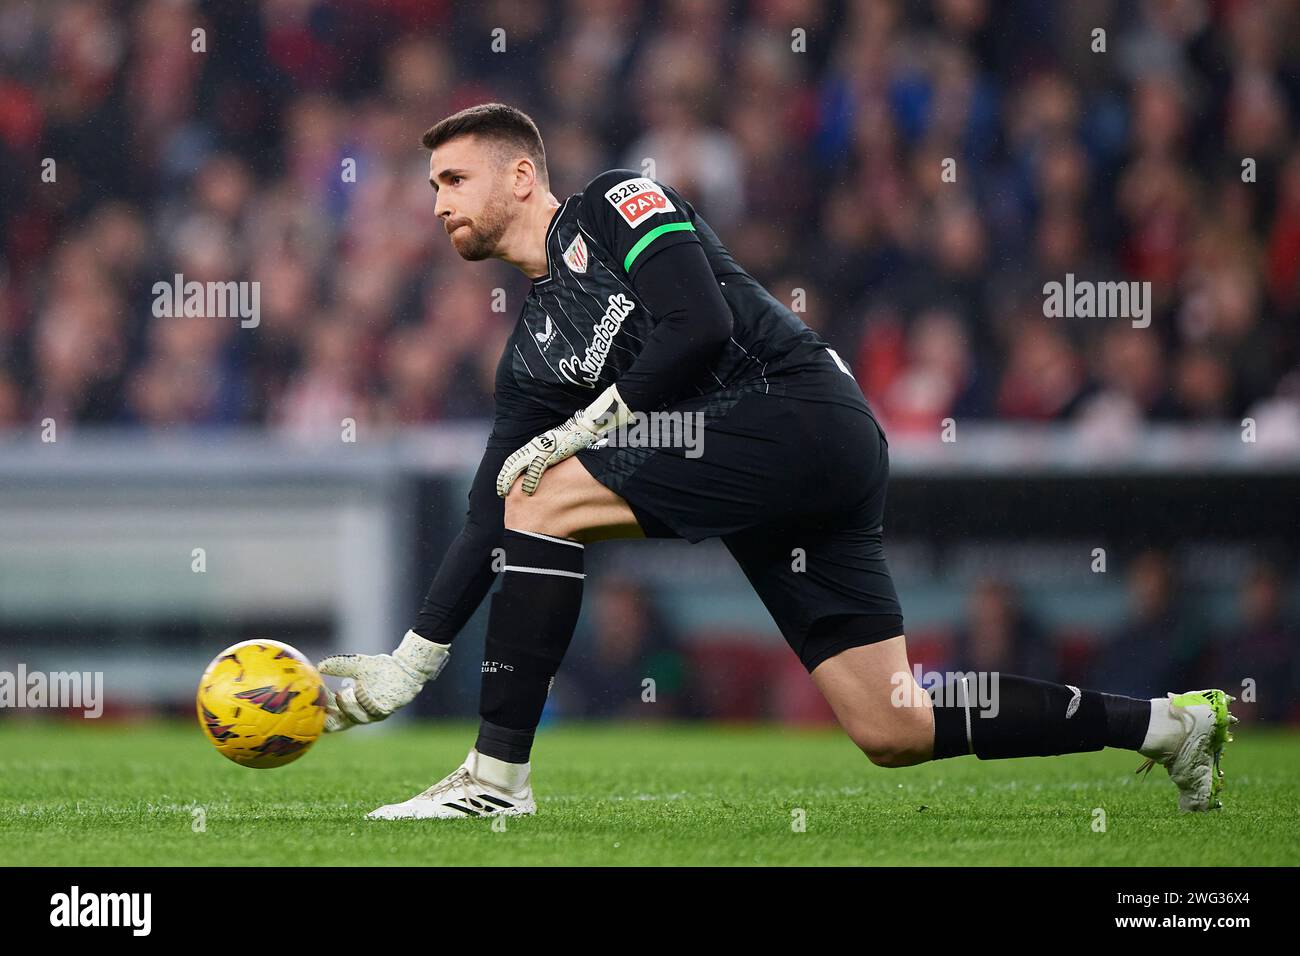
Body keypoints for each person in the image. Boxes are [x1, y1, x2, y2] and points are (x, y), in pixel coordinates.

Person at [315, 103, 1235, 819]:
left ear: (521, 175)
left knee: (546, 496)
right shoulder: (532, 351)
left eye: (453, 179)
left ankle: (496, 780)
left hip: (797, 414)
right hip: (777, 476)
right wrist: (411, 661)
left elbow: (700, 323)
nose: (437, 204)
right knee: (892, 723)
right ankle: (1169, 726)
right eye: (432, 186)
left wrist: (587, 425)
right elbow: (490, 506)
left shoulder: (616, 202)